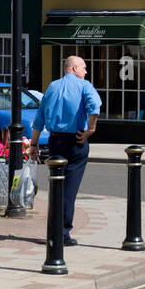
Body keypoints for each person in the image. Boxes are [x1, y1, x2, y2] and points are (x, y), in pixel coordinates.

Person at [28, 56, 101, 246]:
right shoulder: (85, 86)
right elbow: (95, 106)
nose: (86, 72)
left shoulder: (52, 86)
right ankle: (62, 233)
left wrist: (34, 145)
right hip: (76, 140)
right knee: (69, 189)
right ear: (74, 68)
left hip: (55, 141)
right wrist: (90, 130)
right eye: (84, 68)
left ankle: (54, 229)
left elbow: (39, 117)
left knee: (56, 186)